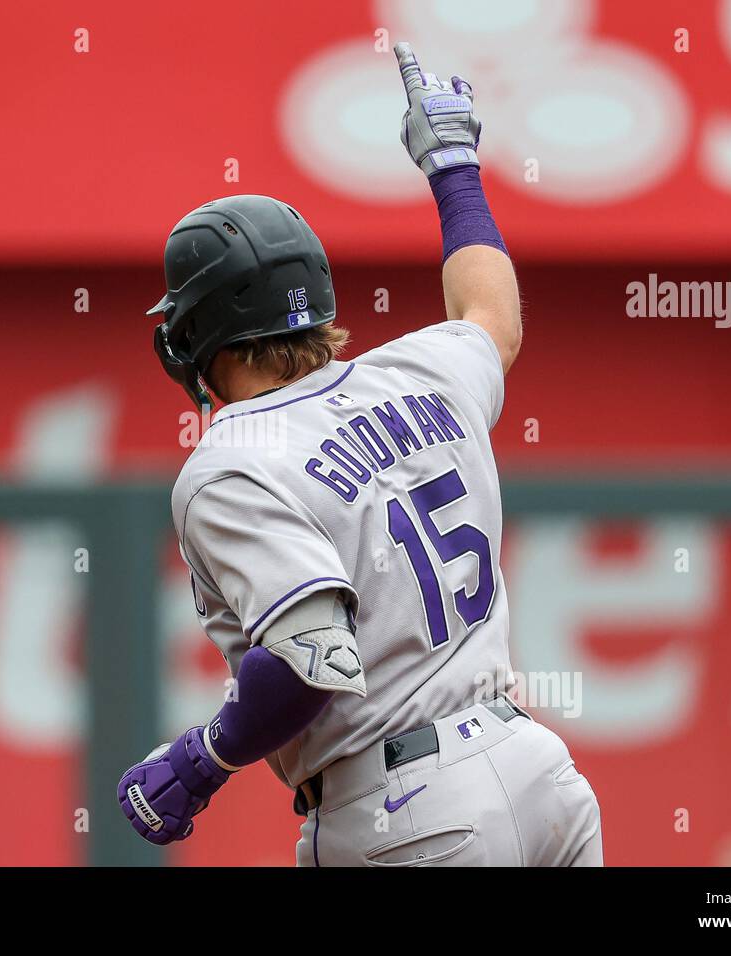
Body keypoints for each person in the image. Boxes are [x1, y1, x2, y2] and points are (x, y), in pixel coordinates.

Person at [118, 42, 602, 867]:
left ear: (199, 335)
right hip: (539, 776)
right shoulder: (423, 368)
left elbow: (313, 663)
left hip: (411, 815)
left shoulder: (230, 462)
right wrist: (453, 167)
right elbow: (493, 312)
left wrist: (201, 760)